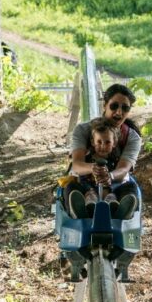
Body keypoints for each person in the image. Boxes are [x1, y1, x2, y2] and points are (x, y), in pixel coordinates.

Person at [64, 84, 142, 219]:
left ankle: (119, 211)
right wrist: (93, 168)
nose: (119, 112)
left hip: (114, 183)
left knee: (130, 188)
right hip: (85, 181)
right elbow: (77, 164)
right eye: (114, 106)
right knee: (71, 187)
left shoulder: (132, 137)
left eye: (125, 108)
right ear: (104, 106)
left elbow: (124, 168)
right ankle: (82, 210)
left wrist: (109, 176)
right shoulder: (82, 130)